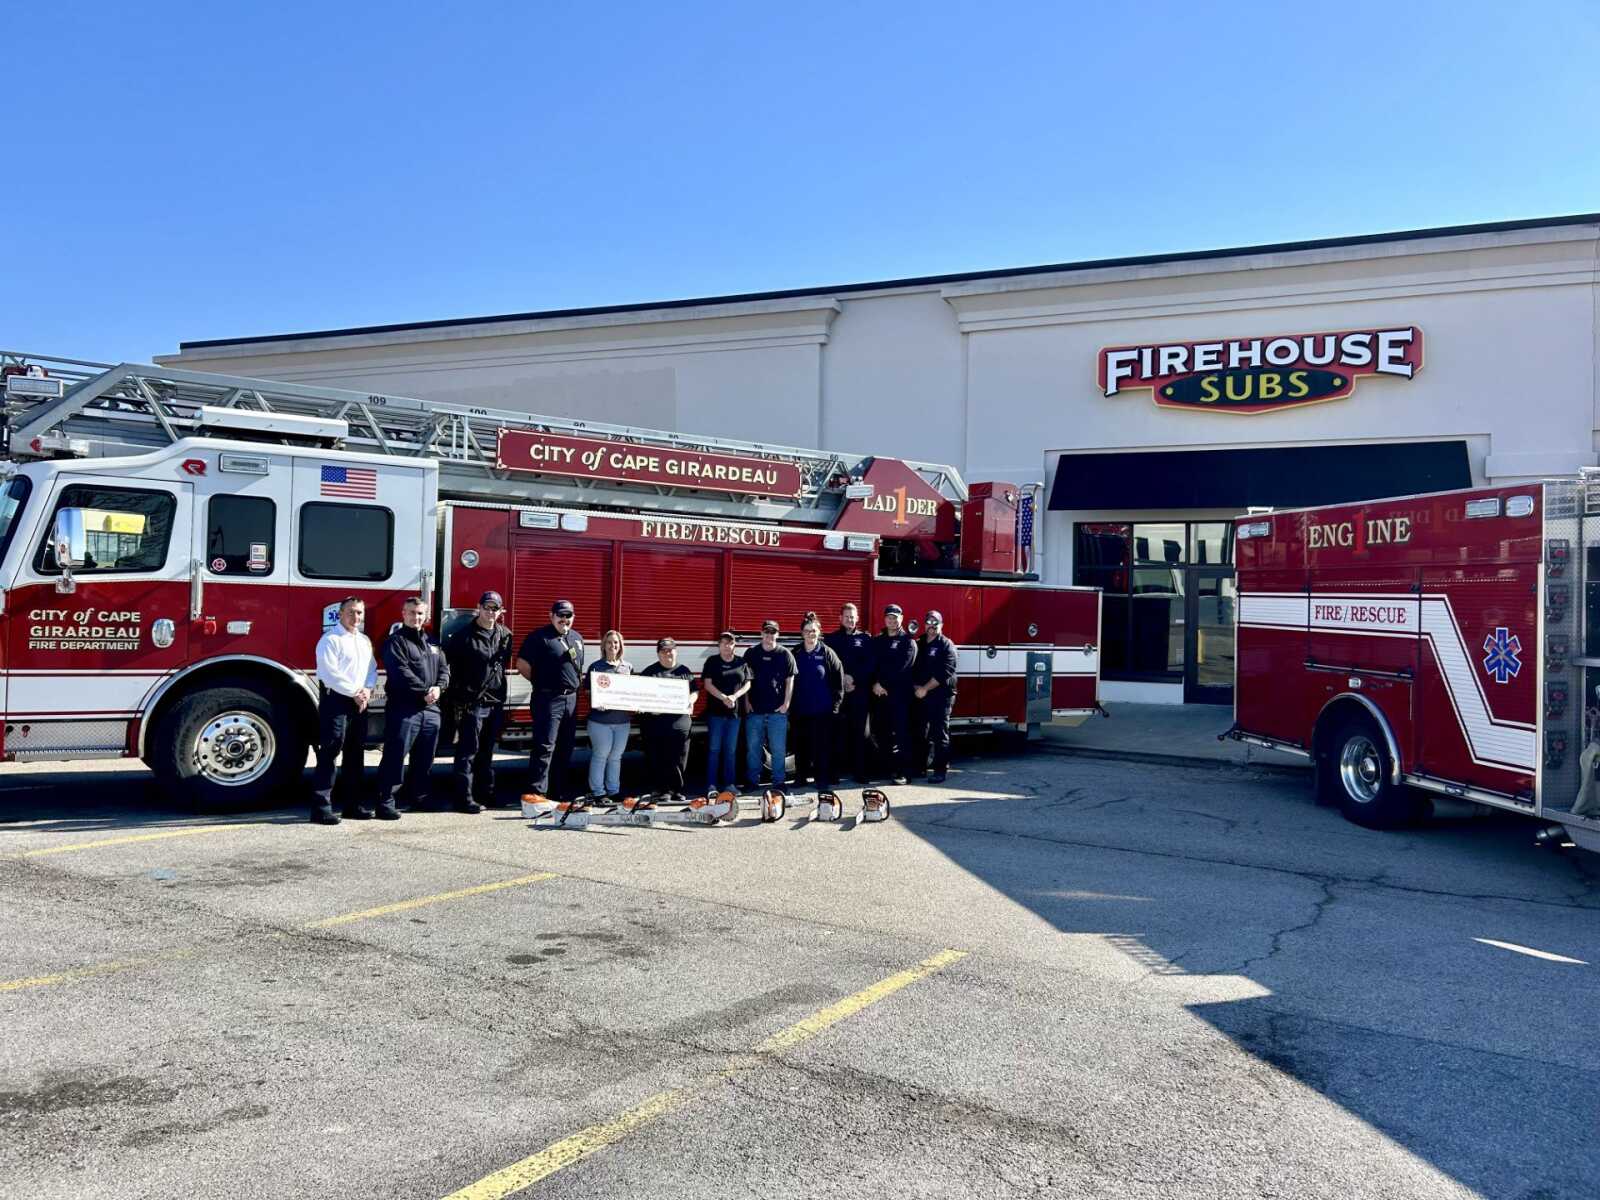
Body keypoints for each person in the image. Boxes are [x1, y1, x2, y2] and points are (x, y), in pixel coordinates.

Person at [377, 596, 451, 813]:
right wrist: (423, 691)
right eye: (411, 612)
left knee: (425, 757)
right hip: (405, 708)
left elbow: (445, 669)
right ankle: (385, 802)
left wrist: (439, 687)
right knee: (395, 755)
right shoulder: (395, 641)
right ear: (403, 613)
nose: (416, 617)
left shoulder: (433, 643)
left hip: (431, 709)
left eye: (420, 613)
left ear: (425, 616)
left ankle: (420, 798)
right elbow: (400, 672)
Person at [311, 596, 378, 824]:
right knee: (330, 753)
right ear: (339, 614)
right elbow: (329, 675)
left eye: (359, 612)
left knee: (354, 755)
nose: (355, 617)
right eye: (350, 612)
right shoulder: (330, 640)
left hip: (359, 703)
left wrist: (367, 690)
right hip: (336, 702)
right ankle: (321, 807)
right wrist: (355, 693)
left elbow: (372, 669)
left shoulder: (364, 641)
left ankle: (353, 805)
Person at [443, 590, 512, 812]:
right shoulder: (463, 636)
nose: (490, 612)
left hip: (495, 703)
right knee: (467, 753)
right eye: (487, 607)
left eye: (495, 608)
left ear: (500, 611)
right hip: (471, 704)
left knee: (487, 752)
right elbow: (448, 666)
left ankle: (486, 794)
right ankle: (464, 799)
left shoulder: (505, 635)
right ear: (478, 607)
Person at [517, 599, 584, 800]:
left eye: (568, 616)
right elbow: (522, 665)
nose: (564, 619)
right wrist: (542, 683)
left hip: (571, 700)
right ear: (551, 616)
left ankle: (558, 791)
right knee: (545, 746)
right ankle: (537, 792)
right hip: (548, 699)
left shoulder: (577, 638)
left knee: (565, 746)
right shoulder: (539, 637)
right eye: (560, 615)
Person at [791, 613, 846, 794]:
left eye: (814, 631)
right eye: (807, 631)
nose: (810, 634)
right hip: (800, 710)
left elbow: (839, 682)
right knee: (801, 746)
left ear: (819, 632)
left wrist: (835, 707)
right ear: (802, 633)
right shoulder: (795, 653)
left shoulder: (828, 653)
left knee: (821, 748)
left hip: (822, 711)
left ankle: (821, 779)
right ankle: (800, 777)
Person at [639, 638, 696, 800]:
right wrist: (649, 707)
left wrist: (690, 700)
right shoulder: (649, 672)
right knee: (659, 756)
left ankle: (676, 790)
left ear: (676, 651)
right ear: (658, 654)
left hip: (680, 722)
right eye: (664, 651)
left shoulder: (684, 671)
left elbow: (695, 691)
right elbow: (640, 694)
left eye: (670, 650)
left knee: (679, 757)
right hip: (657, 723)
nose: (668, 653)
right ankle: (662, 790)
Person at [743, 619, 795, 792]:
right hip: (755, 711)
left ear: (777, 635)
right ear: (761, 633)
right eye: (766, 632)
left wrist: (786, 703)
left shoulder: (785, 654)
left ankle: (779, 782)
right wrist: (746, 702)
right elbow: (746, 680)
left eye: (773, 632)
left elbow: (790, 679)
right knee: (753, 749)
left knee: (778, 749)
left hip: (777, 712)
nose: (769, 635)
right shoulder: (751, 653)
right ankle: (752, 781)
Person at [824, 602, 874, 782]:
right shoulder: (831, 640)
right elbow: (828, 666)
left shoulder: (866, 639)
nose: (850, 620)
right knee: (837, 733)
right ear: (840, 618)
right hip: (839, 693)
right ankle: (835, 773)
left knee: (861, 734)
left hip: (859, 693)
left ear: (857, 618)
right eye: (846, 617)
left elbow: (870, 665)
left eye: (853, 617)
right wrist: (843, 680)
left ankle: (860, 772)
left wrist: (854, 680)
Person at [871, 603, 918, 784]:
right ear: (885, 619)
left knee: (901, 735)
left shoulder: (908, 642)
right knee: (882, 733)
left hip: (900, 696)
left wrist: (881, 683)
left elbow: (902, 667)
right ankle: (887, 769)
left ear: (901, 618)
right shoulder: (878, 640)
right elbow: (872, 664)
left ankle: (904, 772)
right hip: (880, 695)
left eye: (895, 617)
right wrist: (875, 683)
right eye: (889, 617)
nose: (892, 620)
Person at [910, 609, 959, 783]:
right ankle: (920, 768)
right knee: (921, 732)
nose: (931, 626)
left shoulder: (947, 645)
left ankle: (940, 770)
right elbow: (912, 667)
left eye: (935, 623)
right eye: (929, 623)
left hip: (941, 695)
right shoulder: (919, 643)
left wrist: (925, 688)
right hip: (922, 693)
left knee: (939, 733)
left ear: (941, 625)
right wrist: (916, 686)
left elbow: (945, 672)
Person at [584, 630, 632, 801]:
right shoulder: (596, 667)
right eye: (609, 642)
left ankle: (613, 790)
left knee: (616, 757)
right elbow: (588, 692)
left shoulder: (627, 667)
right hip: (600, 721)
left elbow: (632, 692)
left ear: (621, 646)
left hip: (622, 721)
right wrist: (597, 700)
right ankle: (598, 792)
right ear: (603, 645)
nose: (613, 645)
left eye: (616, 643)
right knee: (601, 755)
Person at [700, 631, 750, 794]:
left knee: (730, 750)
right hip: (716, 713)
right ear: (719, 645)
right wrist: (724, 698)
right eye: (724, 643)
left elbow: (747, 684)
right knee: (714, 749)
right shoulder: (712, 662)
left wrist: (734, 697)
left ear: (735, 645)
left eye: (730, 643)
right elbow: (707, 684)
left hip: (734, 714)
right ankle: (711, 785)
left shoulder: (741, 662)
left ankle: (730, 785)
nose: (727, 646)